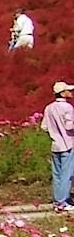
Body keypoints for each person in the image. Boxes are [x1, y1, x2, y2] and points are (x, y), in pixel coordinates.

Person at [41, 81, 74, 212]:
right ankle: (62, 202)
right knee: (67, 174)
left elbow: (44, 127)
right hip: (68, 144)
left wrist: (54, 132)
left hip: (55, 145)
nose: (71, 92)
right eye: (68, 90)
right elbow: (69, 126)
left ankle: (57, 201)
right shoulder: (68, 108)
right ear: (63, 93)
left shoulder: (49, 108)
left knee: (57, 175)